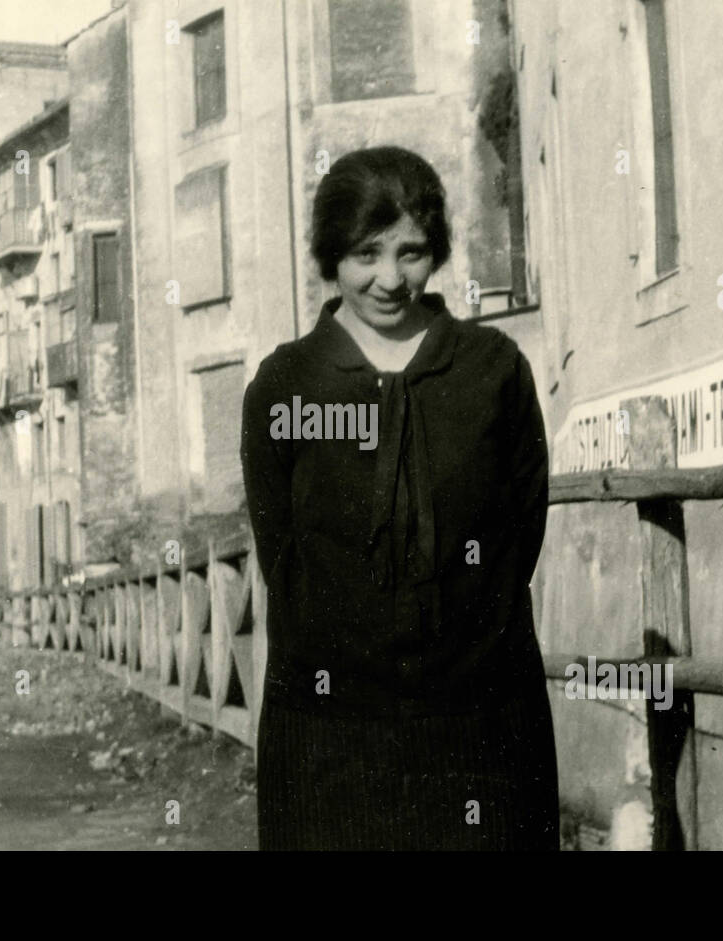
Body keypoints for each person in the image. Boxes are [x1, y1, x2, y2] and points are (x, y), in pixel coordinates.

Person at [240, 145, 558, 850]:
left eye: (411, 253)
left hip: (480, 722)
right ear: (332, 257)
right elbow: (281, 550)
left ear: (436, 252)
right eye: (366, 254)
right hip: (331, 736)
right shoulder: (285, 386)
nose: (390, 279)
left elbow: (519, 534)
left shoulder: (492, 370)